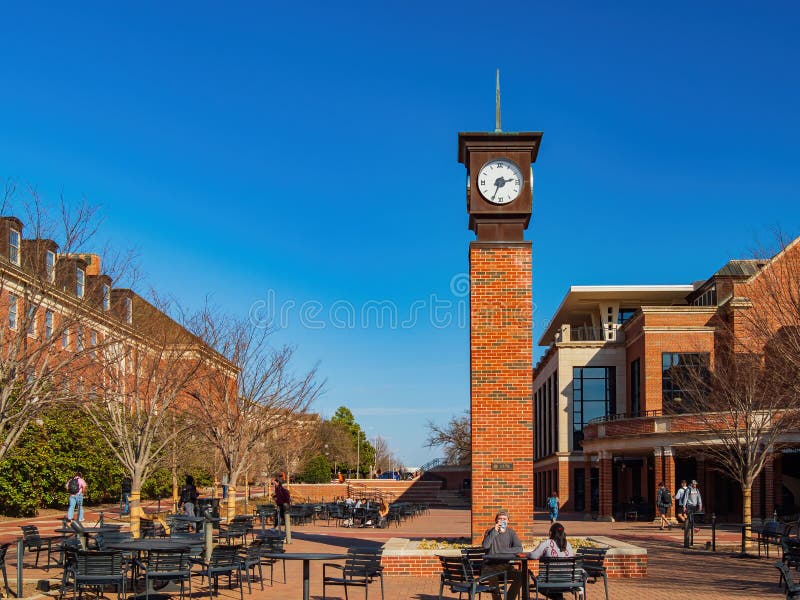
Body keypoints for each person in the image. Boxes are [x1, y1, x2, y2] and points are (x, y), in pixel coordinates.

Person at [481, 510, 524, 600]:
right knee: (492, 577)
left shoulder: (511, 533)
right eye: (499, 519)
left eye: (504, 519)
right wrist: (495, 532)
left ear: (508, 521)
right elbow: (485, 546)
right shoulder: (489, 532)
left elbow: (519, 548)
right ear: (496, 521)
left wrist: (502, 551)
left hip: (505, 566)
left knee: (522, 575)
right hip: (489, 566)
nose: (502, 521)